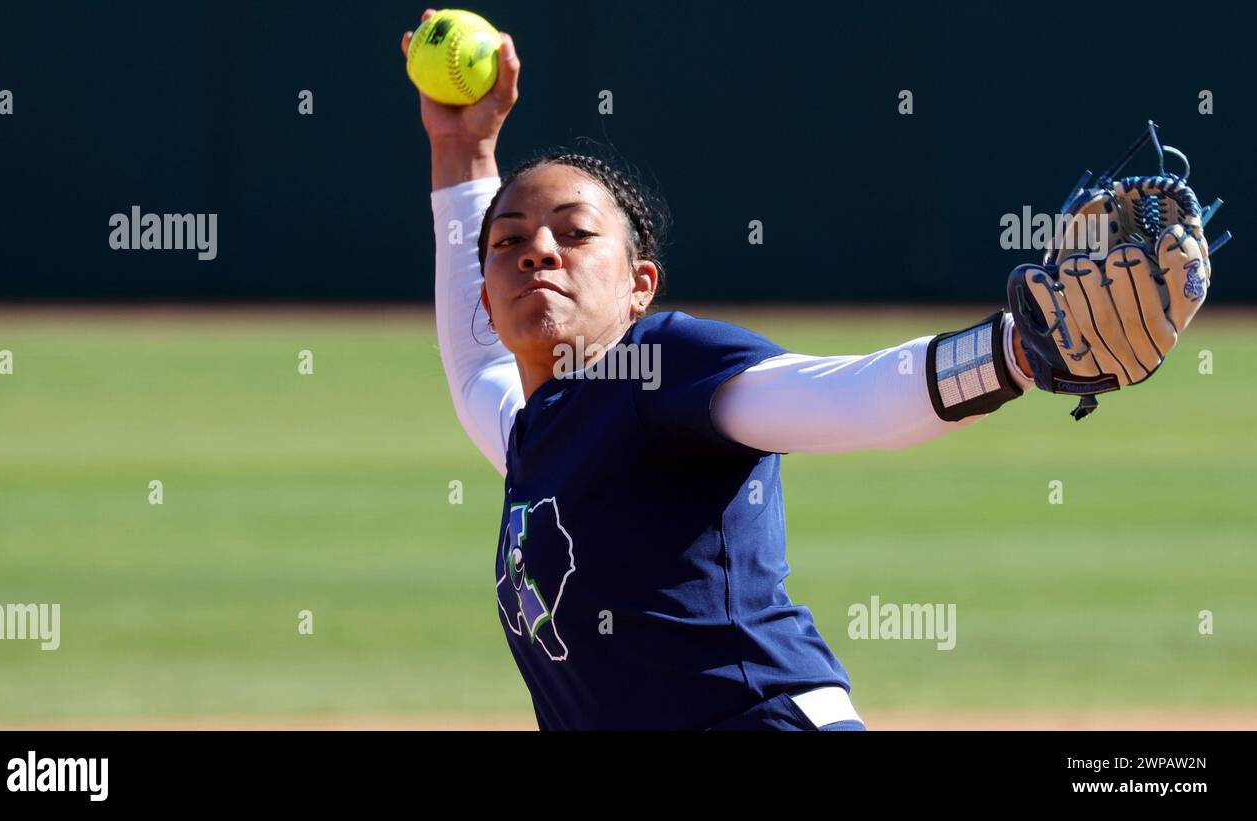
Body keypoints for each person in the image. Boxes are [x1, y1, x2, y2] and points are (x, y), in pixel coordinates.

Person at [403, 10, 1037, 730]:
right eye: (509, 241)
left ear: (639, 285)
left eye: (576, 233)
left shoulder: (659, 371)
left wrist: (1016, 349)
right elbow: (475, 369)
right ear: (486, 296)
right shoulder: (533, 435)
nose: (538, 251)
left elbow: (847, 396)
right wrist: (461, 148)